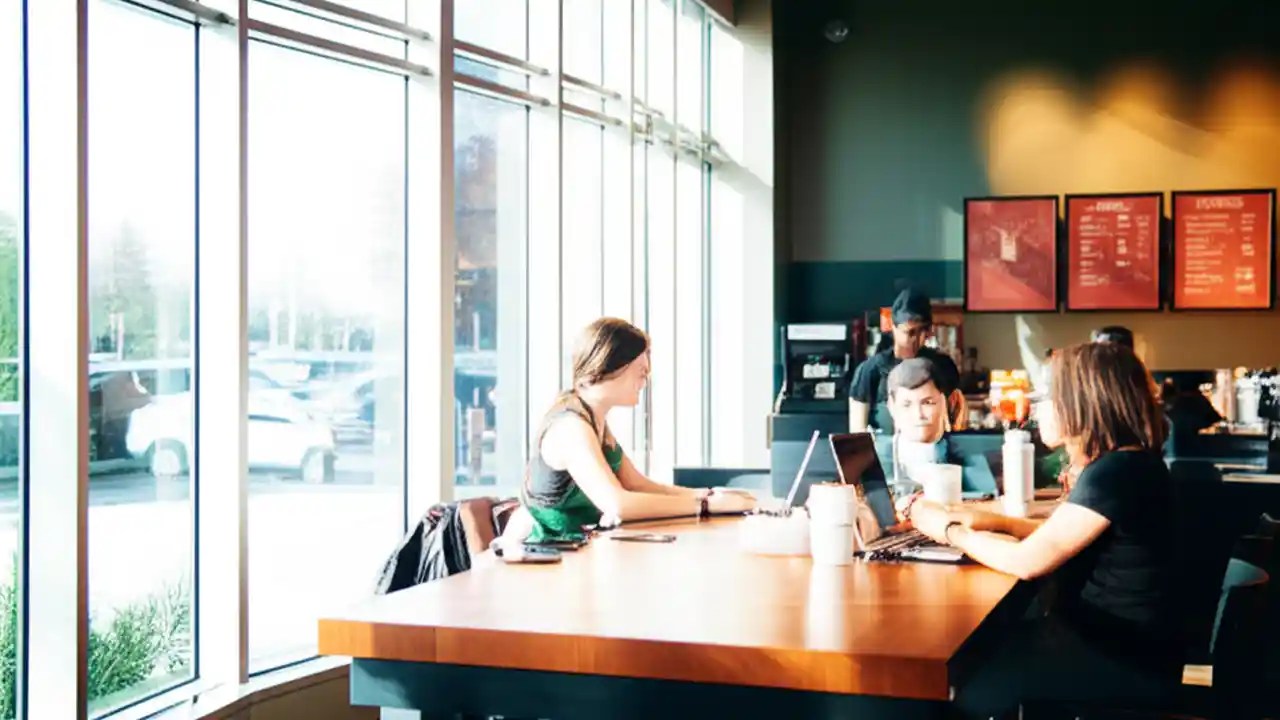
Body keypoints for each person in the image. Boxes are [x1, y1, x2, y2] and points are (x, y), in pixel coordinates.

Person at [907, 342, 1180, 717]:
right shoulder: (1127, 464)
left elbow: (1028, 562)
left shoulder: (1114, 473)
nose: (1038, 408)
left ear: (1083, 402)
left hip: (1119, 656)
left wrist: (949, 530)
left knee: (961, 684)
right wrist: (988, 521)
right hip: (1122, 643)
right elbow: (1059, 533)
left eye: (1048, 397)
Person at [501, 318, 756, 544]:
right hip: (542, 559)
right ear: (608, 366)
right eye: (640, 373)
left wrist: (707, 494)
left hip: (570, 555)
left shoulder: (593, 419)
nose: (644, 383)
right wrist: (705, 506)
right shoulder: (571, 428)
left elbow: (635, 484)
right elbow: (617, 504)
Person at [848, 288, 962, 434]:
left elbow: (957, 415)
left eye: (923, 332)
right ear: (894, 328)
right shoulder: (871, 370)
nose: (917, 339)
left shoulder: (943, 365)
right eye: (910, 332)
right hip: (887, 452)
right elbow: (857, 431)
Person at [876, 358, 996, 494]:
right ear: (892, 407)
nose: (918, 414)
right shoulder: (876, 458)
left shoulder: (968, 456)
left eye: (927, 403)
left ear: (944, 403)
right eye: (907, 405)